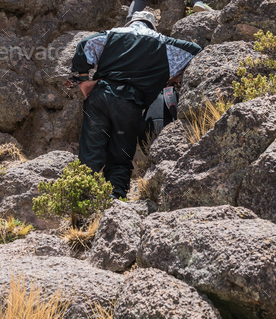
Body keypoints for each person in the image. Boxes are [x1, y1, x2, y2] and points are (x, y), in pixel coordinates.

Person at [67, 10, 202, 198]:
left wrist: (83, 80)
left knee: (90, 151)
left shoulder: (113, 34)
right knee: (120, 157)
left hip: (100, 97)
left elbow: (83, 45)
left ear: (130, 22)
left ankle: (79, 203)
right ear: (153, 26)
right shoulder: (164, 43)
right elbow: (197, 51)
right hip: (129, 105)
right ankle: (115, 200)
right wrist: (177, 75)